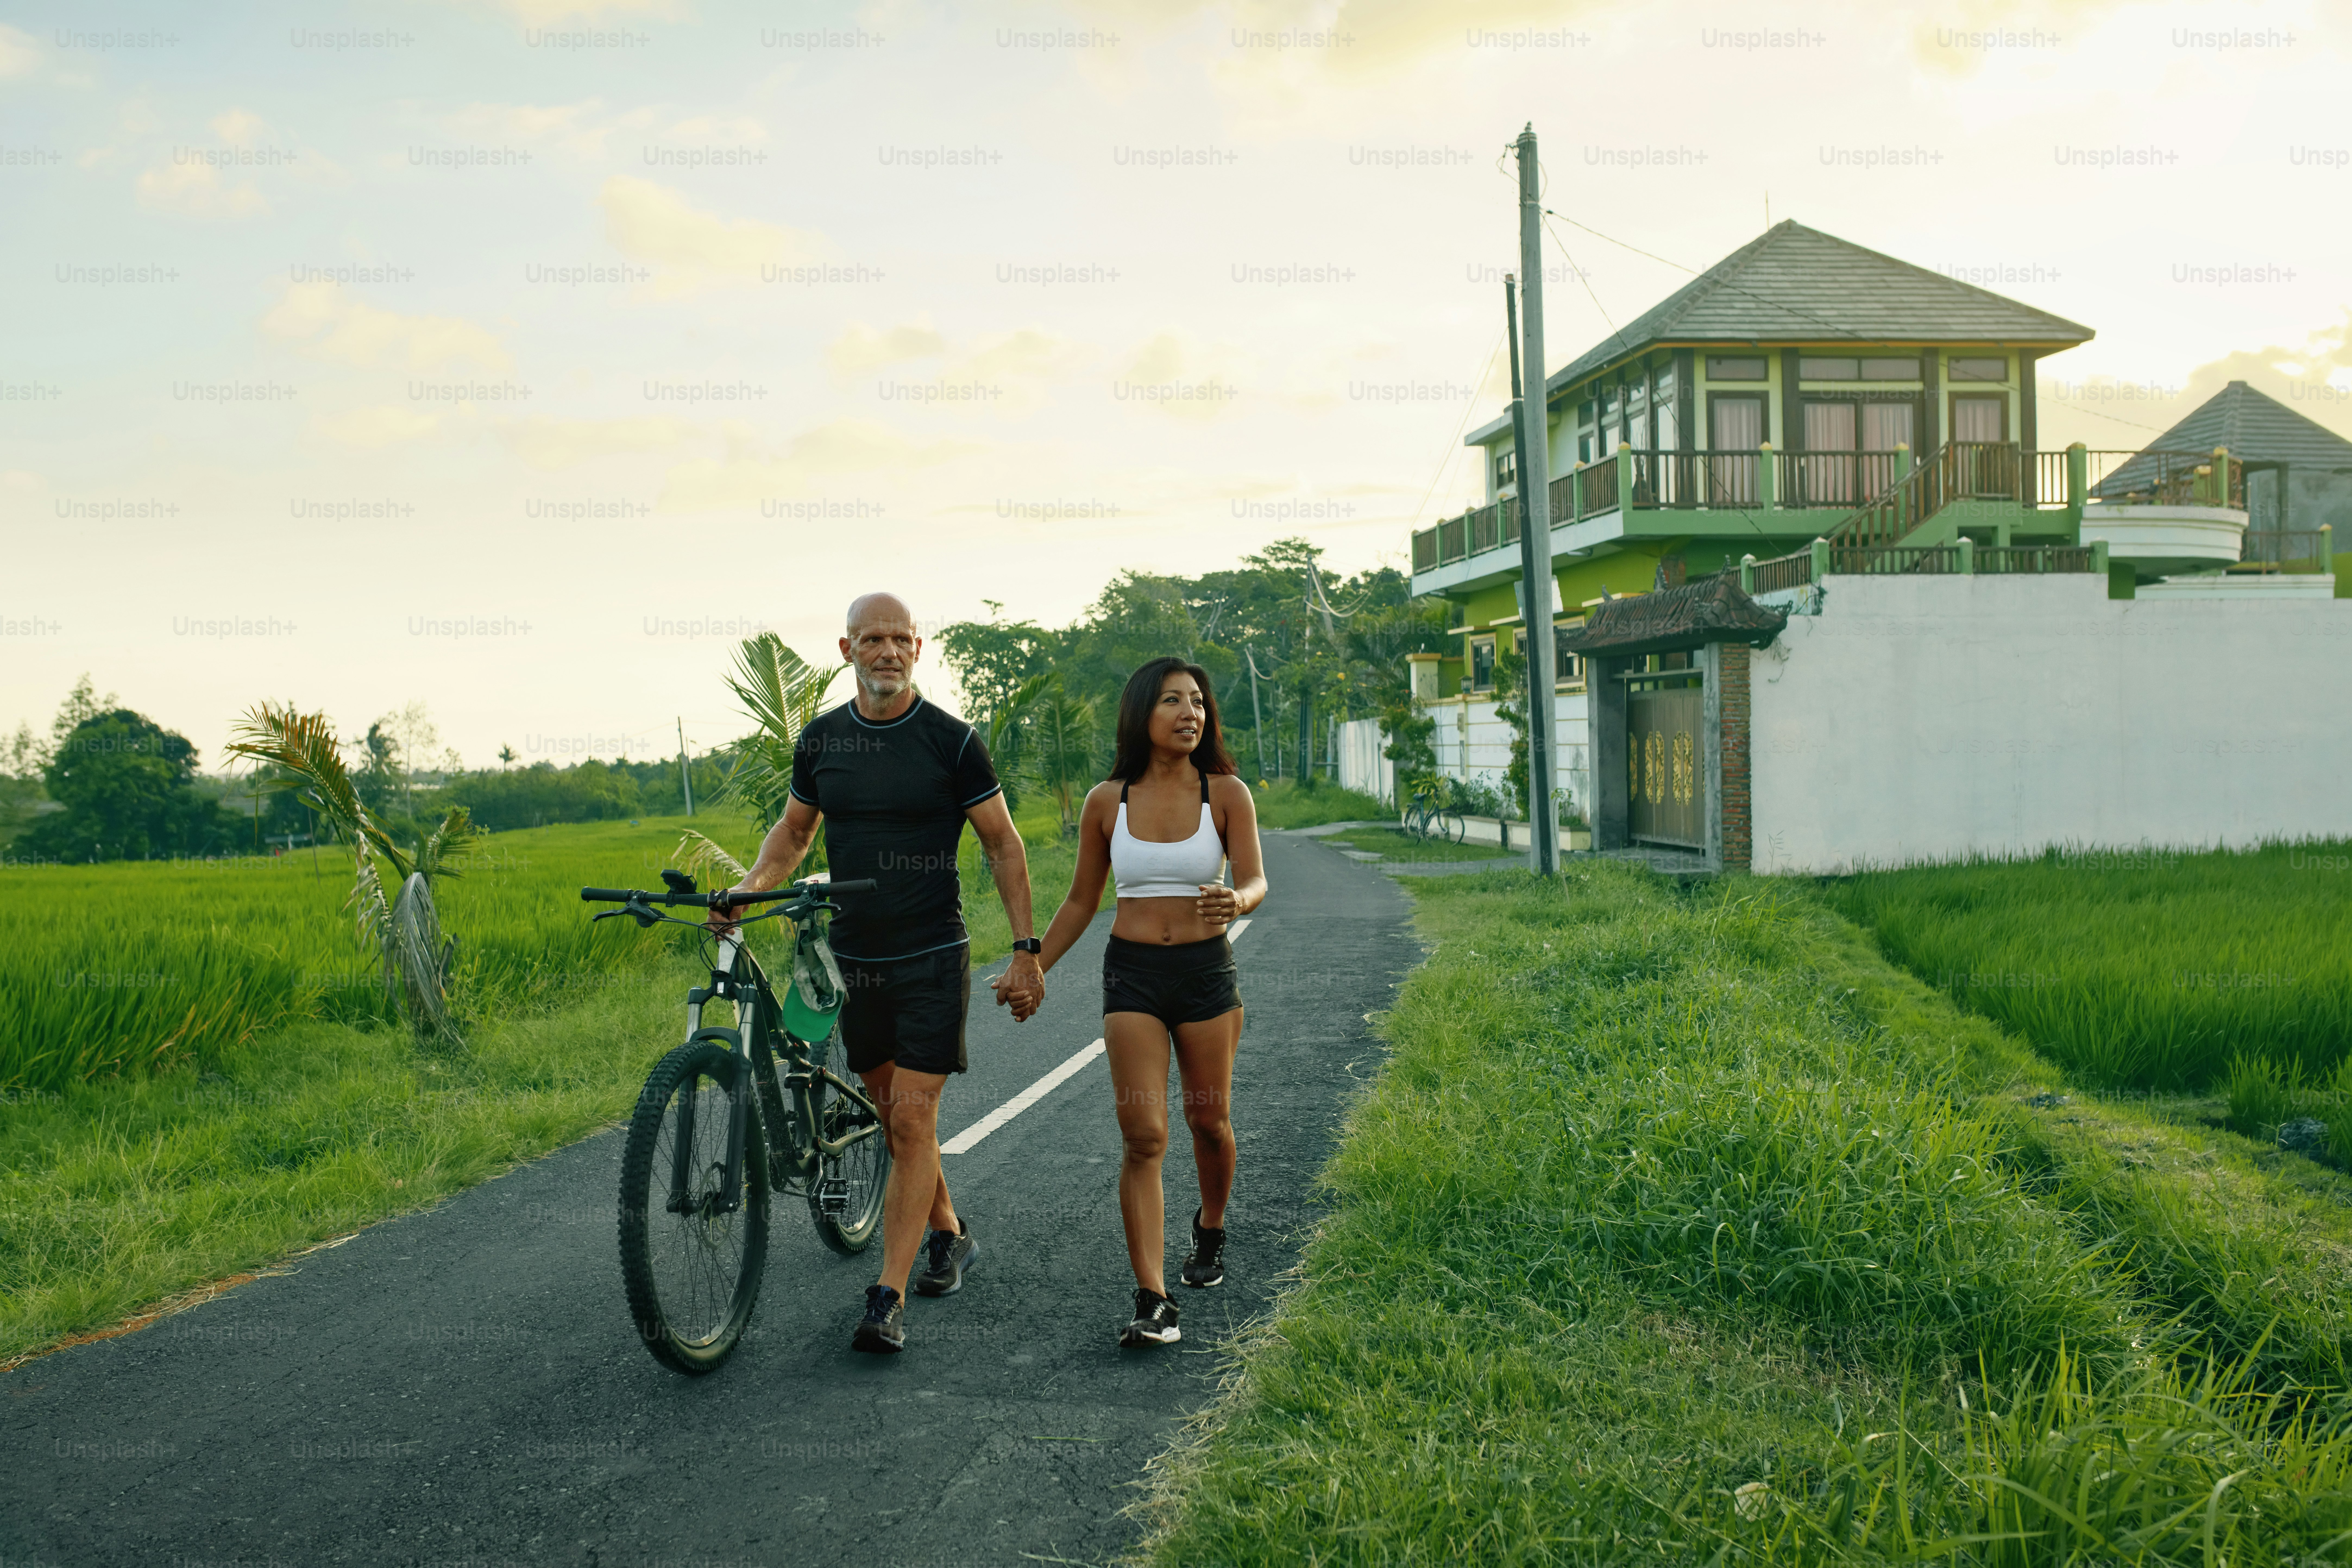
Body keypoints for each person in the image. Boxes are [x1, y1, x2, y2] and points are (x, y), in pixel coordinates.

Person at [713, 592, 1044, 1354]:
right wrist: (750, 888)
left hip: (932, 955)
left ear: (918, 649)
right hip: (855, 960)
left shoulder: (952, 742)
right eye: (872, 638)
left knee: (910, 1119)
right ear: (846, 648)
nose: (886, 650)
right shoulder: (822, 740)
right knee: (894, 1114)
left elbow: (1003, 844)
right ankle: (950, 1232)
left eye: (900, 638)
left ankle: (886, 1296)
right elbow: (794, 834)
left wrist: (1025, 947)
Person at [1007, 656, 1266, 1348]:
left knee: (1207, 1122)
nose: (1190, 714)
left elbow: (1256, 880)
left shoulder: (1227, 794)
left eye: (1199, 703)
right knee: (1145, 1137)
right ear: (1141, 714)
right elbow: (1081, 901)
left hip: (1207, 974)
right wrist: (1032, 963)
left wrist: (1235, 898)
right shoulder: (1107, 800)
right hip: (1132, 978)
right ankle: (1152, 1297)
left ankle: (1209, 1228)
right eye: (1173, 702)